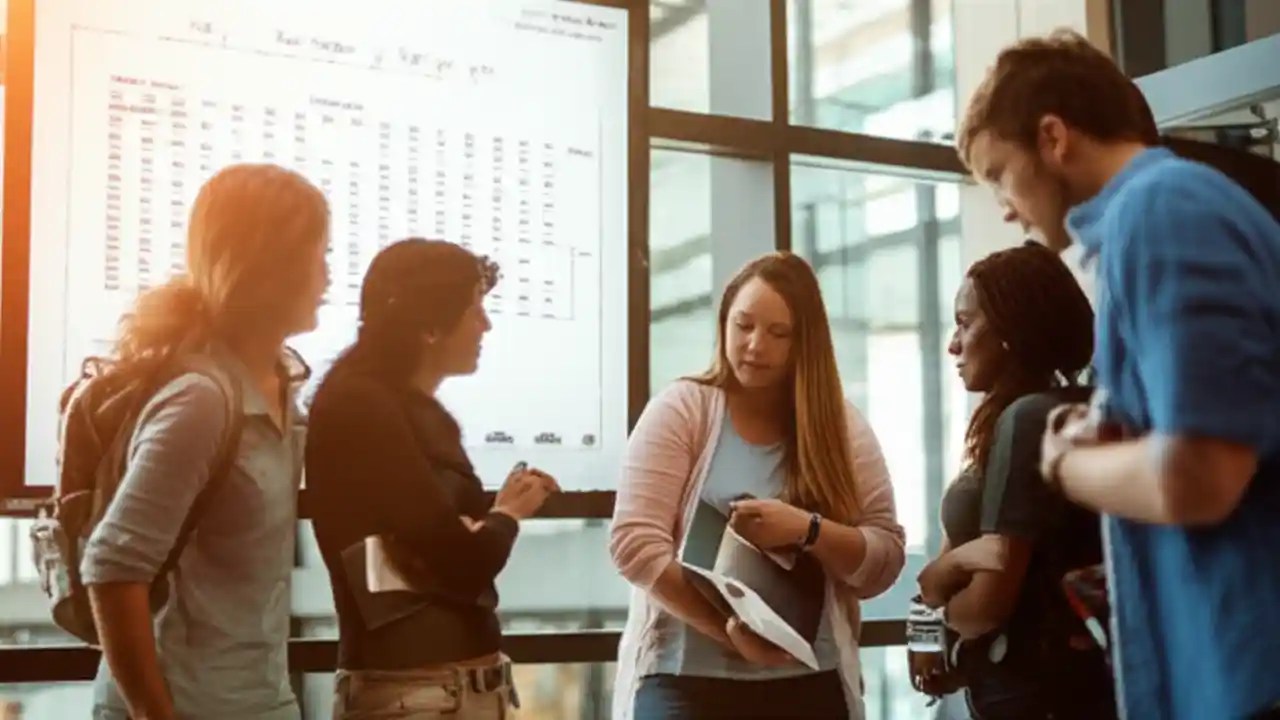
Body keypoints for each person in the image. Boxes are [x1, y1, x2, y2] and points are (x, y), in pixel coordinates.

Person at [960, 29, 1280, 720]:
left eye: (998, 175)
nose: (1005, 208)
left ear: (1053, 138)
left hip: (1246, 675)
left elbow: (1202, 475)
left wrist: (1067, 466)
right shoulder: (1154, 220)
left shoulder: (1161, 213)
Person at [610, 252, 905, 719]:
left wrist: (807, 530)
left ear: (805, 341)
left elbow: (884, 561)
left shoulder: (842, 427)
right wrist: (727, 626)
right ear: (724, 322)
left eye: (777, 333)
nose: (754, 345)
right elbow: (634, 545)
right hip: (685, 682)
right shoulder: (682, 408)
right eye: (743, 325)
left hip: (809, 683)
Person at [81, 164, 330, 720]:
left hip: (261, 700)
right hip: (189, 706)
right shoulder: (203, 399)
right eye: (319, 256)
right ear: (271, 266)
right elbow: (113, 565)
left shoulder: (282, 390)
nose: (327, 278)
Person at [306, 238, 560, 719]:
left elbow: (444, 552)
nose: (485, 325)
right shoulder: (358, 404)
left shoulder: (417, 411)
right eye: (474, 310)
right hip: (417, 695)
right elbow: (463, 561)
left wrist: (479, 526)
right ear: (429, 325)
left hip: (461, 690)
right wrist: (506, 516)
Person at [909, 242, 1114, 719]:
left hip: (1038, 698)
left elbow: (985, 605)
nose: (952, 345)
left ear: (1009, 331)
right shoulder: (1011, 424)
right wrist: (929, 620)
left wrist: (938, 606)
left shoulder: (1029, 420)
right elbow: (942, 567)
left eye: (964, 323)